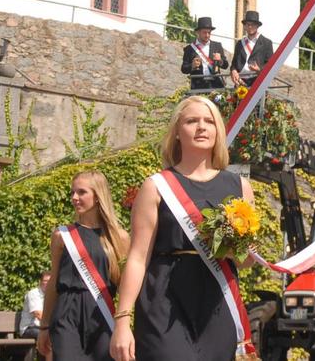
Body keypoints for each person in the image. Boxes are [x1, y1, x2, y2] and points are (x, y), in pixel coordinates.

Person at [109, 96, 256, 361]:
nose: (201, 127)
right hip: (163, 301)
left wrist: (247, 252)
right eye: (192, 121)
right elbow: (138, 257)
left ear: (218, 130)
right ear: (177, 132)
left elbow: (243, 264)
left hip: (216, 302)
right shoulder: (155, 186)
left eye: (209, 121)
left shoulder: (240, 187)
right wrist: (122, 320)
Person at [38, 171, 130, 360]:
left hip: (102, 313)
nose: (74, 198)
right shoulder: (62, 236)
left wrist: (125, 322)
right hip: (66, 312)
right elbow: (54, 283)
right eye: (72, 192)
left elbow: (125, 284)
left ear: (98, 196)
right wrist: (44, 326)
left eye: (81, 192)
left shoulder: (119, 237)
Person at [181, 17, 229, 90]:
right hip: (197, 86)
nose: (207, 35)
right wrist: (192, 66)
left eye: (209, 32)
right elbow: (184, 69)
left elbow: (225, 65)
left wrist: (220, 60)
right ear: (198, 32)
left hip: (215, 85)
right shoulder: (189, 49)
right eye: (204, 32)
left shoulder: (217, 46)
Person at [230, 11, 273, 87]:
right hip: (241, 81)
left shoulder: (266, 43)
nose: (250, 27)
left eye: (253, 25)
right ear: (245, 26)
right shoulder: (240, 43)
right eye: (248, 24)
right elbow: (234, 64)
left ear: (257, 26)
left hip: (257, 80)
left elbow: (270, 64)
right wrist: (233, 70)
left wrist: (259, 69)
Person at [18, 271, 51, 339]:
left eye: (50, 281)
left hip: (43, 328)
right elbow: (38, 314)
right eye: (45, 281)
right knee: (50, 336)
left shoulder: (51, 295)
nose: (48, 283)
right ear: (40, 282)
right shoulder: (33, 294)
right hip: (29, 328)